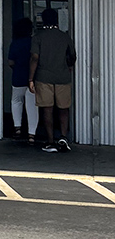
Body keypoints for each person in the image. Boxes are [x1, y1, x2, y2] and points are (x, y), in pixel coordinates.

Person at [29, 8, 77, 153]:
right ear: (56, 20)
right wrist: (67, 66)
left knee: (47, 109)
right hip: (63, 76)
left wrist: (31, 78)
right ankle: (63, 137)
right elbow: (73, 56)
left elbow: (34, 58)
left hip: (44, 77)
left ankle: (50, 141)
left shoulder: (38, 37)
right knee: (63, 108)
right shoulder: (65, 37)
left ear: (43, 20)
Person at [8, 17, 39, 144]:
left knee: (16, 101)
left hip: (18, 76)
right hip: (33, 78)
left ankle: (17, 129)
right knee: (32, 105)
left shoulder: (15, 43)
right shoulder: (34, 42)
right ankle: (32, 134)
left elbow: (10, 62)